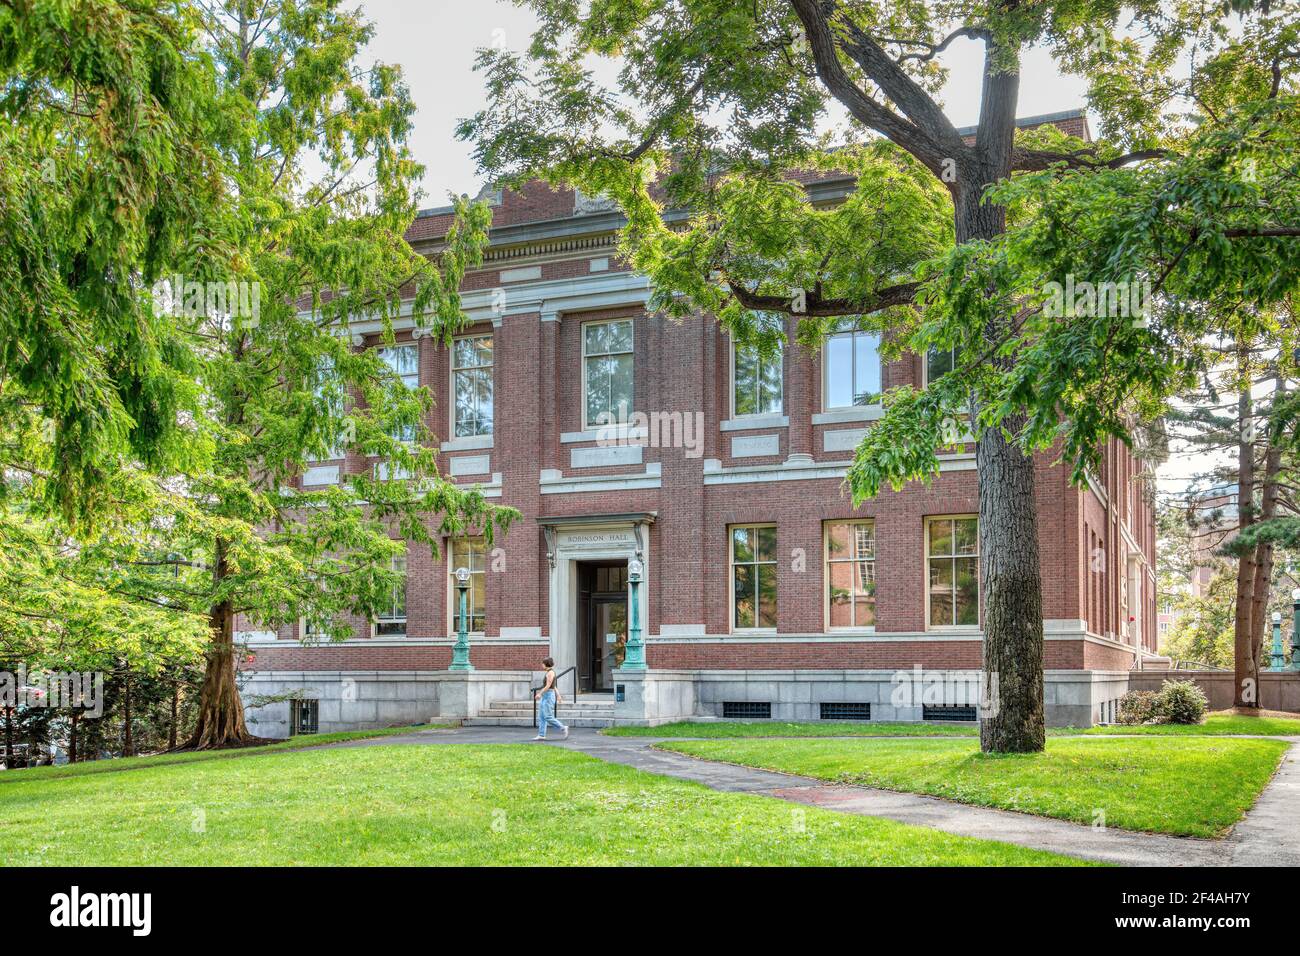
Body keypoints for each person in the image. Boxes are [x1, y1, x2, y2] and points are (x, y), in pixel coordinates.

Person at [533, 656, 568, 740]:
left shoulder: (550, 673)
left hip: (548, 696)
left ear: (546, 664)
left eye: (543, 663)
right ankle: (541, 735)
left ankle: (563, 727)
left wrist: (539, 693)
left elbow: (548, 686)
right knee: (541, 716)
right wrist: (558, 695)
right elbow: (554, 686)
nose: (542, 665)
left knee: (548, 716)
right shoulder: (548, 672)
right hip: (546, 696)